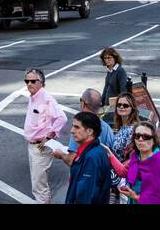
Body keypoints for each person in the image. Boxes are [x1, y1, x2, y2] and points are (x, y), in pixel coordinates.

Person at [22, 68, 67, 203]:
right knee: (37, 184)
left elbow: (62, 118)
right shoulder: (34, 97)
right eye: (27, 81)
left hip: (40, 148)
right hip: (33, 146)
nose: (29, 84)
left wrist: (48, 137)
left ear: (41, 82)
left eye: (33, 81)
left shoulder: (46, 99)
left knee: (39, 186)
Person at [61, 111, 114, 205]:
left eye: (77, 127)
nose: (72, 131)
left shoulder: (92, 158)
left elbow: (85, 196)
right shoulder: (92, 151)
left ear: (90, 131)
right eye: (73, 126)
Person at [106, 93, 138, 163]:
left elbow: (129, 156)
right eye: (119, 105)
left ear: (132, 109)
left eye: (125, 105)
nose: (121, 107)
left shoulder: (132, 129)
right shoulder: (121, 127)